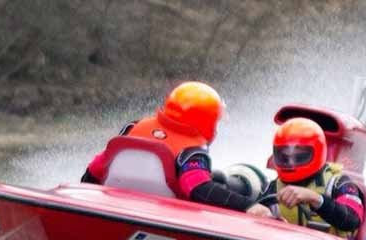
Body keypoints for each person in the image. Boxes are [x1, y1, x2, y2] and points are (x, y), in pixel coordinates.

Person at [81, 81, 257, 212]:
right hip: (163, 216)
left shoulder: (133, 128)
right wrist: (249, 206)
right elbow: (198, 189)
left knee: (218, 178)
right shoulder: (191, 152)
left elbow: (95, 170)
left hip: (115, 207)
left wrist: (88, 203)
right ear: (205, 121)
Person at [247, 117, 365, 240]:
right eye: (284, 157)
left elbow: (352, 219)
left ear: (318, 152)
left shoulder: (339, 183)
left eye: (299, 156)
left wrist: (315, 198)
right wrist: (261, 215)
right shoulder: (273, 187)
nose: (291, 163)